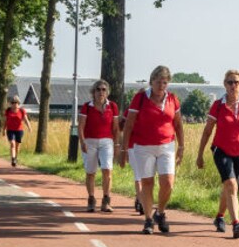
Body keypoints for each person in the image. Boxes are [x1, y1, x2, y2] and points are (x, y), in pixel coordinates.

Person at [196, 70, 239, 239]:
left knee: (230, 187)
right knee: (231, 184)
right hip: (221, 150)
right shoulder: (218, 105)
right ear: (225, 84)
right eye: (230, 82)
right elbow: (207, 131)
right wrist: (200, 154)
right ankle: (236, 224)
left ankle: (219, 217)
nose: (233, 85)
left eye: (236, 82)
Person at [120, 66, 183, 235]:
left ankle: (160, 213)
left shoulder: (173, 99)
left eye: (165, 82)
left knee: (168, 182)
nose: (161, 86)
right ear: (151, 81)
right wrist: (123, 149)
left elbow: (178, 124)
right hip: (143, 147)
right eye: (158, 82)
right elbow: (129, 125)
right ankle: (148, 220)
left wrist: (181, 146)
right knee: (147, 182)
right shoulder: (140, 98)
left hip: (167, 146)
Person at [78, 80, 119, 213]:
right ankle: (91, 199)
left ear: (107, 92)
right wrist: (82, 142)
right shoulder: (87, 106)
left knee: (107, 169)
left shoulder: (112, 106)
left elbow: (115, 128)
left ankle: (106, 201)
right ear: (93, 92)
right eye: (98, 89)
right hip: (90, 141)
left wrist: (117, 144)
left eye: (103, 90)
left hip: (107, 141)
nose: (101, 92)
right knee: (91, 172)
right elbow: (81, 126)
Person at [117, 92, 145, 215]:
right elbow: (121, 127)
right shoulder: (130, 110)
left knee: (144, 176)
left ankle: (140, 198)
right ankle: (141, 201)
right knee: (139, 175)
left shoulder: (154, 110)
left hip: (148, 146)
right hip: (133, 146)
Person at [4, 95, 29, 167]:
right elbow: (6, 121)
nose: (14, 104)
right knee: (12, 144)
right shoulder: (8, 111)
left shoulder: (22, 111)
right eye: (12, 103)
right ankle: (13, 159)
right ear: (11, 103)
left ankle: (15, 158)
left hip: (19, 130)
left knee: (17, 146)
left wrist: (29, 127)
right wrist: (4, 129)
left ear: (18, 103)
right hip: (10, 130)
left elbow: (26, 120)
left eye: (16, 103)